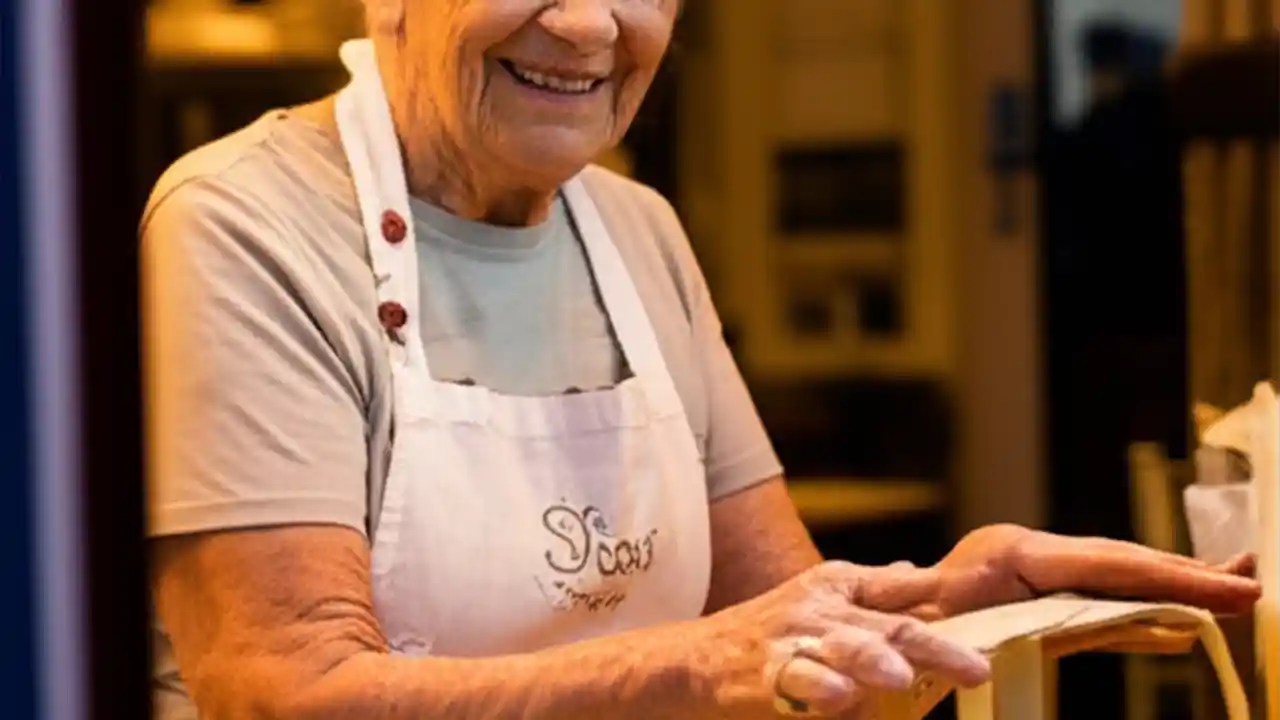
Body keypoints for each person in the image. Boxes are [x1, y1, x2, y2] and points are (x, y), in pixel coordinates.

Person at [143, 2, 1260, 717]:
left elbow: (781, 634)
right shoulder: (243, 224)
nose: (588, 27)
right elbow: (285, 693)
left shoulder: (636, 233)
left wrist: (947, 605)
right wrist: (686, 666)